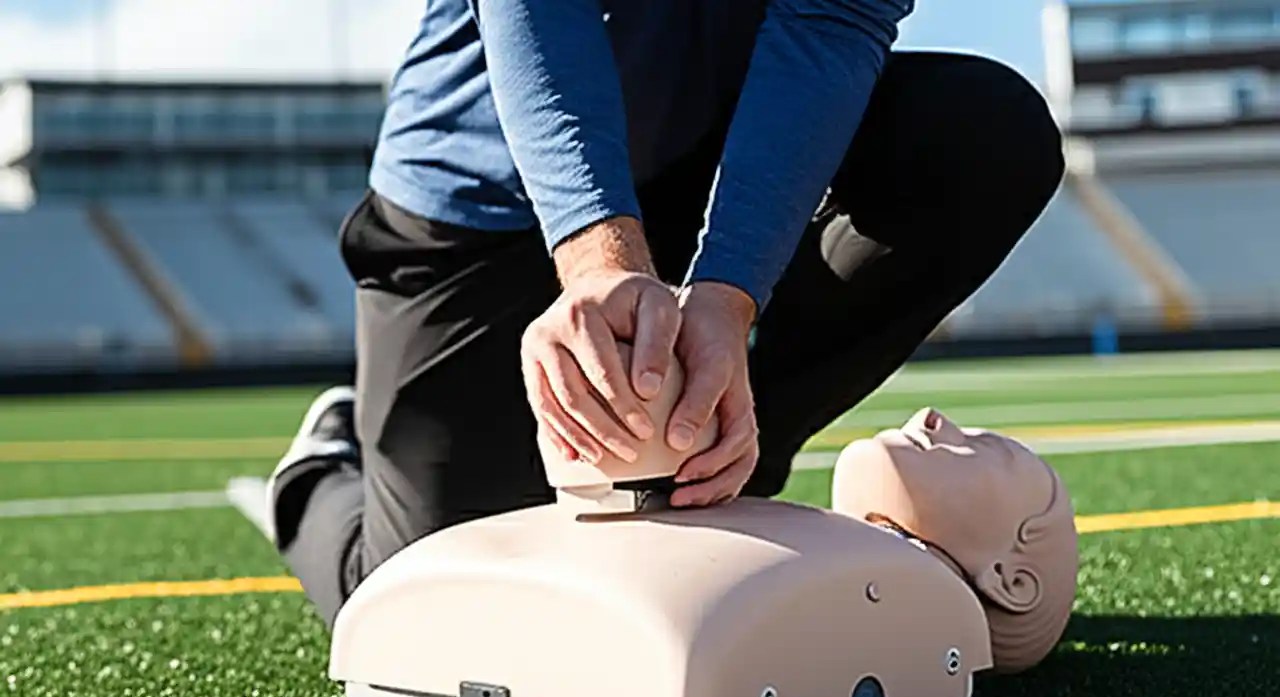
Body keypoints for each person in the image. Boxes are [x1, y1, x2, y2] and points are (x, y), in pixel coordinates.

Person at [267, 0, 1067, 628]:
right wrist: (596, 259)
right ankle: (315, 472)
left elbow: (831, 20)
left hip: (710, 160)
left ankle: (714, 452)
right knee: (428, 611)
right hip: (482, 201)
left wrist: (727, 296)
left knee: (987, 137)